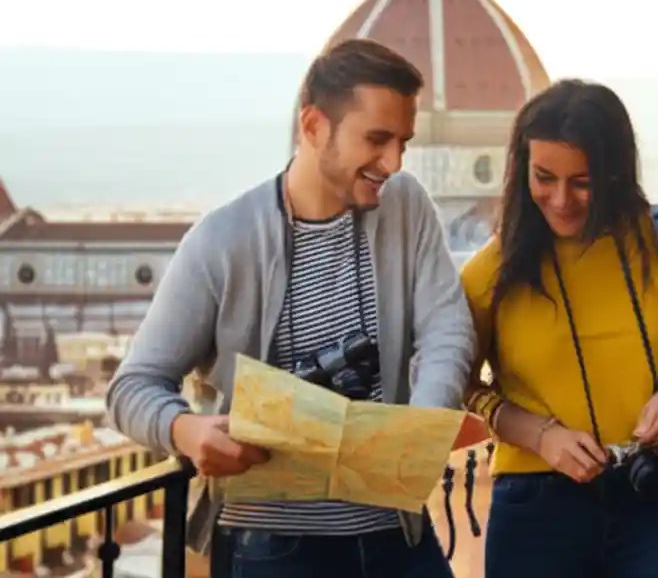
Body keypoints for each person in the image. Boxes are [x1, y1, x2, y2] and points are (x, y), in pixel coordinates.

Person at [105, 39, 475, 577]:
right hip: (271, 549)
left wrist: (422, 428)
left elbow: (447, 328)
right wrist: (186, 432)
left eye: (403, 142)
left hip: (397, 533)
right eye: (376, 139)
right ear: (313, 125)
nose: (393, 162)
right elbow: (131, 386)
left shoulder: (407, 205)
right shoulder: (222, 241)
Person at [460, 79, 658, 578]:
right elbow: (465, 388)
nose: (561, 199)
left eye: (582, 181)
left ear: (616, 171)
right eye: (543, 177)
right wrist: (539, 435)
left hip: (652, 497)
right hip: (536, 509)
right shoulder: (487, 274)